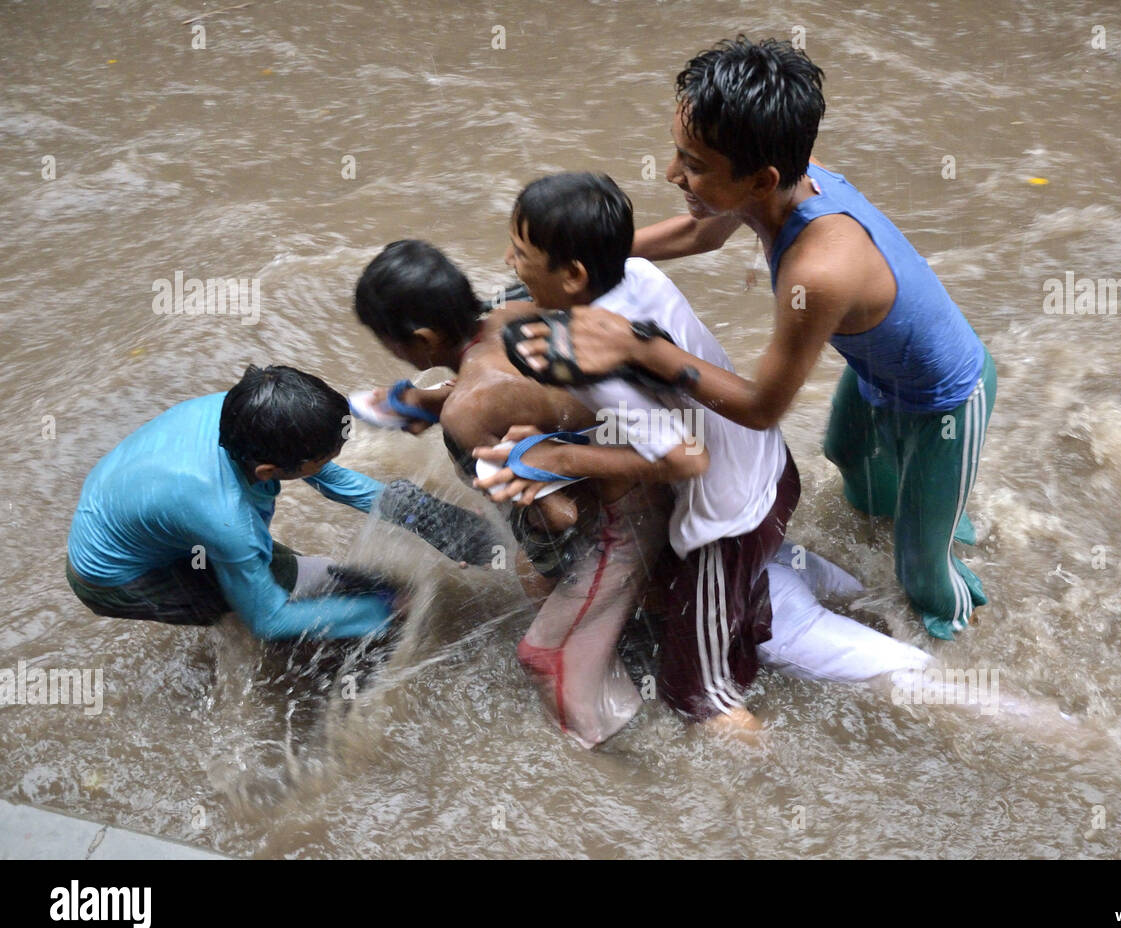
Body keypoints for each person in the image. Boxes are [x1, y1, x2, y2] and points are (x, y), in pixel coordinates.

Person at [509, 38, 996, 640]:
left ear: (761, 180)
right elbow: (699, 233)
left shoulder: (817, 272)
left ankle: (957, 627)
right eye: (677, 152)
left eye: (693, 163)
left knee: (920, 572)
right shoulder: (780, 176)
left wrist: (640, 347)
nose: (671, 173)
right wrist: (580, 263)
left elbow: (762, 408)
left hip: (947, 398)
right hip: (875, 369)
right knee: (851, 461)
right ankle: (927, 512)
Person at [477, 171, 798, 738]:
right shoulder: (635, 272)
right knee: (671, 608)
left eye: (522, 253)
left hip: (731, 521)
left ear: (574, 275)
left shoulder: (592, 366)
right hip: (770, 462)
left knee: (698, 699)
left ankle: (779, 805)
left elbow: (686, 460)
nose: (508, 260)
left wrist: (558, 459)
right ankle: (765, 605)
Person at [353, 238, 686, 747]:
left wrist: (554, 570)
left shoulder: (466, 412)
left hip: (634, 515)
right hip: (659, 462)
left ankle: (610, 744)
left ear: (421, 340)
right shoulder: (520, 310)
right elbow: (528, 392)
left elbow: (558, 519)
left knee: (540, 632)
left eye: (390, 344)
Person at [66, 364, 491, 641]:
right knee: (283, 602)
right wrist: (385, 610)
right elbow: (269, 622)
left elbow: (325, 475)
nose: (331, 463)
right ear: (269, 471)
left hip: (137, 507)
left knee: (297, 577)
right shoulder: (227, 519)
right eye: (324, 457)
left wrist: (426, 517)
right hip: (116, 578)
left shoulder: (249, 412)